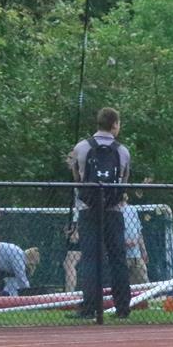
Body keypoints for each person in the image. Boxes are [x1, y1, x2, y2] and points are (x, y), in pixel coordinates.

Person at [68, 108, 133, 319]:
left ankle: (90, 306)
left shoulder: (82, 147)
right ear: (115, 124)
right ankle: (122, 306)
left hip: (89, 209)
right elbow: (124, 180)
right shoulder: (122, 151)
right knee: (117, 258)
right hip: (113, 210)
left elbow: (77, 177)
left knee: (90, 258)